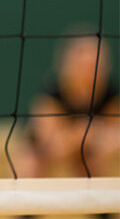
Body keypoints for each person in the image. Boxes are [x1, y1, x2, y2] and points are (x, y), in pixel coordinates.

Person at [17, 32, 119, 179]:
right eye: (84, 65)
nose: (90, 72)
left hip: (83, 147)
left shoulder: (110, 92)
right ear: (68, 65)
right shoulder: (51, 93)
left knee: (90, 164)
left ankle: (91, 200)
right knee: (31, 163)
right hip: (40, 147)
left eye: (96, 65)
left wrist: (100, 139)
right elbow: (52, 148)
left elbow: (114, 138)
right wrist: (83, 135)